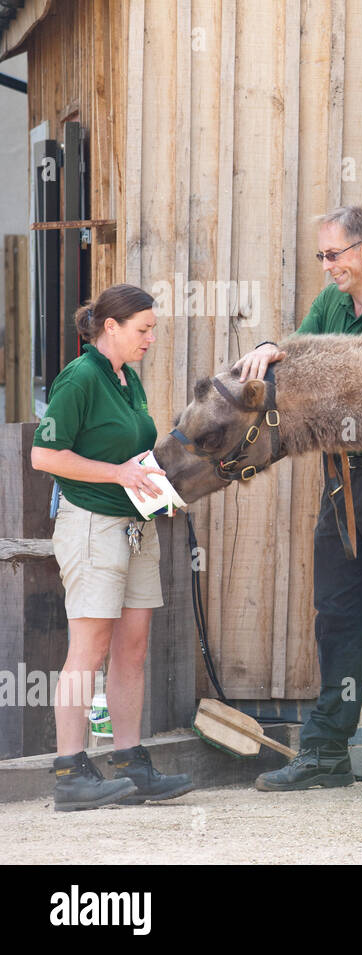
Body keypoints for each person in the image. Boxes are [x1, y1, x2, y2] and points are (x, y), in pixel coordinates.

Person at [238, 206, 362, 798]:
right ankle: (326, 754)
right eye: (322, 257)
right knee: (337, 620)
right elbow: (300, 366)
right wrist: (275, 347)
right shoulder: (332, 305)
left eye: (334, 255)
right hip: (341, 485)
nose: (326, 267)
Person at [30, 284, 194, 811]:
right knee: (90, 649)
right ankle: (71, 771)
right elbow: (45, 456)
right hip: (92, 524)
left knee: (134, 647)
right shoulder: (79, 378)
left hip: (134, 524)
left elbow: (130, 447)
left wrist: (155, 488)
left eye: (151, 329)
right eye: (142, 329)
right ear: (110, 327)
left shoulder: (128, 379)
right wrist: (118, 473)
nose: (150, 338)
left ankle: (129, 763)